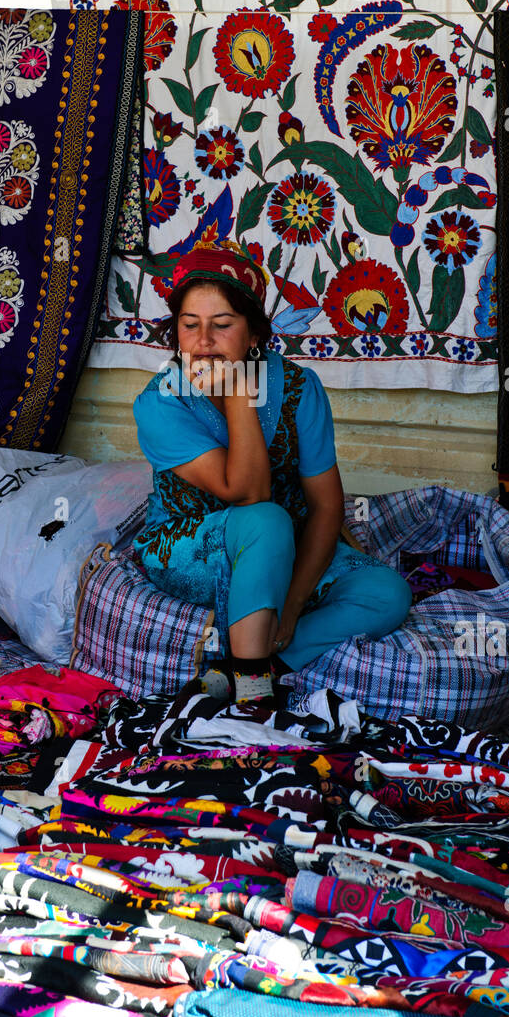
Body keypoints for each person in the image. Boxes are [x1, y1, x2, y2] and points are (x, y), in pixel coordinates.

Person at [131, 240, 413, 717]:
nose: (203, 342)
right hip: (189, 548)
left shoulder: (299, 388)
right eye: (189, 325)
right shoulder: (163, 400)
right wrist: (240, 392)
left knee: (386, 593)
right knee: (266, 517)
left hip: (281, 551)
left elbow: (326, 506)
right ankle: (254, 700)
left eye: (222, 325)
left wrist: (295, 601)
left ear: (255, 334)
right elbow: (247, 493)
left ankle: (250, 666)